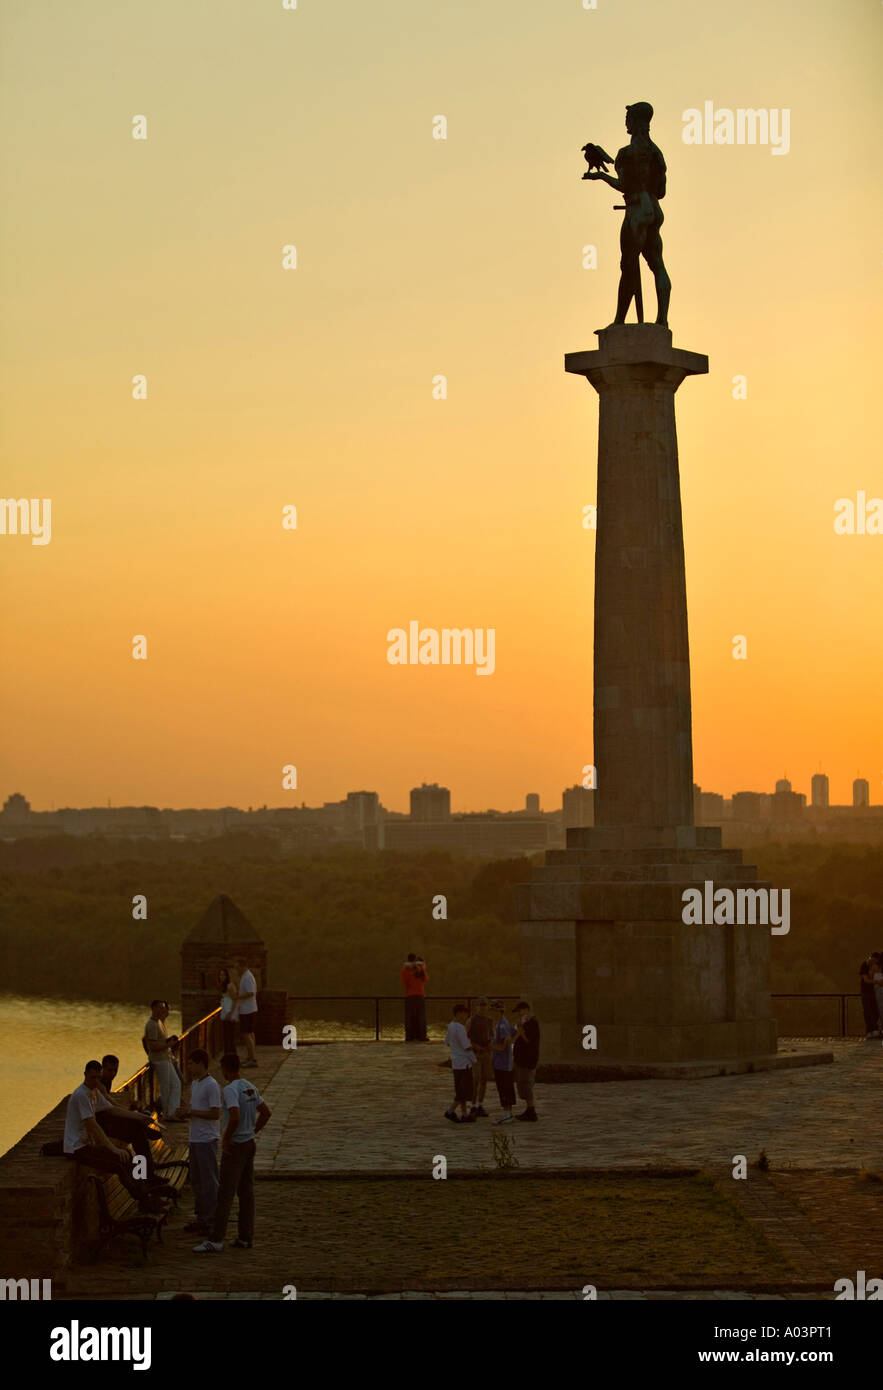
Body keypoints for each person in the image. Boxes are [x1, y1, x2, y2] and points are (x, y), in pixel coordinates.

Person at [193, 1053, 271, 1253]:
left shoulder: (229, 1090)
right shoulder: (250, 1086)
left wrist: (227, 1138)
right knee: (246, 1193)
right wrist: (253, 1130)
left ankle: (216, 1239)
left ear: (226, 1068)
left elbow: (234, 1116)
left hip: (235, 1146)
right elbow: (266, 1112)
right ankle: (245, 1236)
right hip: (249, 1144)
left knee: (225, 1194)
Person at [63, 1061, 159, 1209]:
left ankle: (146, 1192)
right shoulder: (81, 1095)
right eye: (92, 1077)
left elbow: (111, 1109)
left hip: (86, 1145)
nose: (95, 1081)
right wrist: (113, 1149)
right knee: (118, 1165)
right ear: (85, 1075)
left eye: (98, 1078)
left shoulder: (94, 1092)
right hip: (77, 1148)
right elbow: (92, 1125)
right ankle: (144, 1200)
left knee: (129, 1157)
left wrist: (138, 1117)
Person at [94, 1053, 163, 1180]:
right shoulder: (98, 1084)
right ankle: (146, 1175)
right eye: (110, 1070)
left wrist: (134, 1116)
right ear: (102, 1069)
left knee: (137, 1132)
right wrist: (135, 1117)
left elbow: (110, 1102)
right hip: (100, 1124)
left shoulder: (105, 1082)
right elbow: (110, 1109)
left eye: (115, 1070)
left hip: (107, 1118)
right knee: (137, 1132)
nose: (113, 1074)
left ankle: (146, 1173)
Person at [180, 1048, 221, 1237]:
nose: (188, 1067)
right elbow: (195, 1109)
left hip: (206, 1139)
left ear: (199, 1063)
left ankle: (211, 1219)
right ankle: (201, 1217)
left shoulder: (211, 1085)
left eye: (190, 1063)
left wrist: (191, 1113)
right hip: (194, 1138)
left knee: (209, 1181)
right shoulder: (195, 1084)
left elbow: (215, 1113)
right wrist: (186, 1111)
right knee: (197, 1180)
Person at [143, 1000, 184, 1120]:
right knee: (165, 1087)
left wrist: (168, 1043)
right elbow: (152, 1046)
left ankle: (172, 1112)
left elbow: (159, 1042)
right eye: (160, 1008)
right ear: (153, 1008)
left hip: (165, 1058)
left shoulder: (160, 1023)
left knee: (176, 1084)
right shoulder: (151, 1024)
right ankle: (167, 1113)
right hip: (159, 1060)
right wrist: (169, 1044)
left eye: (164, 1008)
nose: (163, 1010)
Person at [443, 1004, 476, 1123]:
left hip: (455, 1062)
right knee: (464, 1090)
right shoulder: (460, 1028)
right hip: (464, 1062)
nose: (466, 1016)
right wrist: (475, 1056)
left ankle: (464, 1114)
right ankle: (450, 1110)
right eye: (465, 1013)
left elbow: (447, 1042)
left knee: (460, 1088)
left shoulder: (450, 1026)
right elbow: (467, 1046)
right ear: (459, 1013)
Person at [512, 1001, 540, 1122]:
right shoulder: (526, 1023)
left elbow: (529, 1040)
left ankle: (531, 1110)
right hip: (522, 1058)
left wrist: (521, 1031)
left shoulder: (532, 1023)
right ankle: (529, 1109)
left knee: (525, 1084)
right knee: (523, 1083)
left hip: (527, 1059)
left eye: (520, 1011)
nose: (519, 1014)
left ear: (526, 1010)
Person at [490, 1000, 517, 1124]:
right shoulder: (504, 1023)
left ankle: (506, 1113)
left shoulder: (502, 1024)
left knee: (503, 1087)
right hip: (504, 1062)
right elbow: (514, 1033)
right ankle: (508, 1113)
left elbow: (506, 1039)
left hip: (502, 1063)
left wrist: (495, 1047)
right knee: (507, 1086)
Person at [467, 997, 493, 1117]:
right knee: (475, 1079)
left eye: (484, 1005)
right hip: (476, 1053)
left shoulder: (489, 1020)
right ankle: (473, 1105)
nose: (482, 1008)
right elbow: (466, 1037)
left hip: (486, 1053)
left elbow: (491, 1035)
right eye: (480, 1005)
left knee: (484, 1079)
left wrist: (490, 1045)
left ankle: (480, 1104)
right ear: (476, 1007)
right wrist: (475, 1046)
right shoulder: (472, 1020)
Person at [401, 953, 428, 1041]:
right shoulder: (420, 968)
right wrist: (422, 967)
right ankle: (422, 1036)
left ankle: (409, 1036)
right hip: (420, 994)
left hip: (409, 995)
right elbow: (426, 979)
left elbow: (404, 982)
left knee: (409, 1017)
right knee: (421, 1016)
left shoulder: (405, 970)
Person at [236, 962, 259, 1068]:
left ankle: (252, 1059)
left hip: (247, 1010)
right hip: (249, 1009)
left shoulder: (247, 977)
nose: (237, 969)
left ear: (243, 966)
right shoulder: (246, 976)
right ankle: (250, 1056)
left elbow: (251, 993)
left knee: (246, 1034)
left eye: (238, 967)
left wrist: (238, 996)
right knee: (250, 1033)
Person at [218, 968, 240, 1056]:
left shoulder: (230, 986)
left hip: (230, 1011)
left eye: (223, 975)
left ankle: (232, 1054)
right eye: (220, 975)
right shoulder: (223, 986)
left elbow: (235, 999)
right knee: (226, 1035)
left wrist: (230, 1012)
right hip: (225, 1010)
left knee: (230, 1035)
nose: (221, 977)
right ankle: (227, 1054)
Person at [860, 956, 880, 1038]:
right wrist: (878, 982)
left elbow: (871, 977)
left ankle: (871, 1030)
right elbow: (866, 980)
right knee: (868, 1011)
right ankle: (872, 1030)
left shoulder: (872, 966)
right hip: (866, 992)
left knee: (874, 1011)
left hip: (872, 992)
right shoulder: (865, 965)